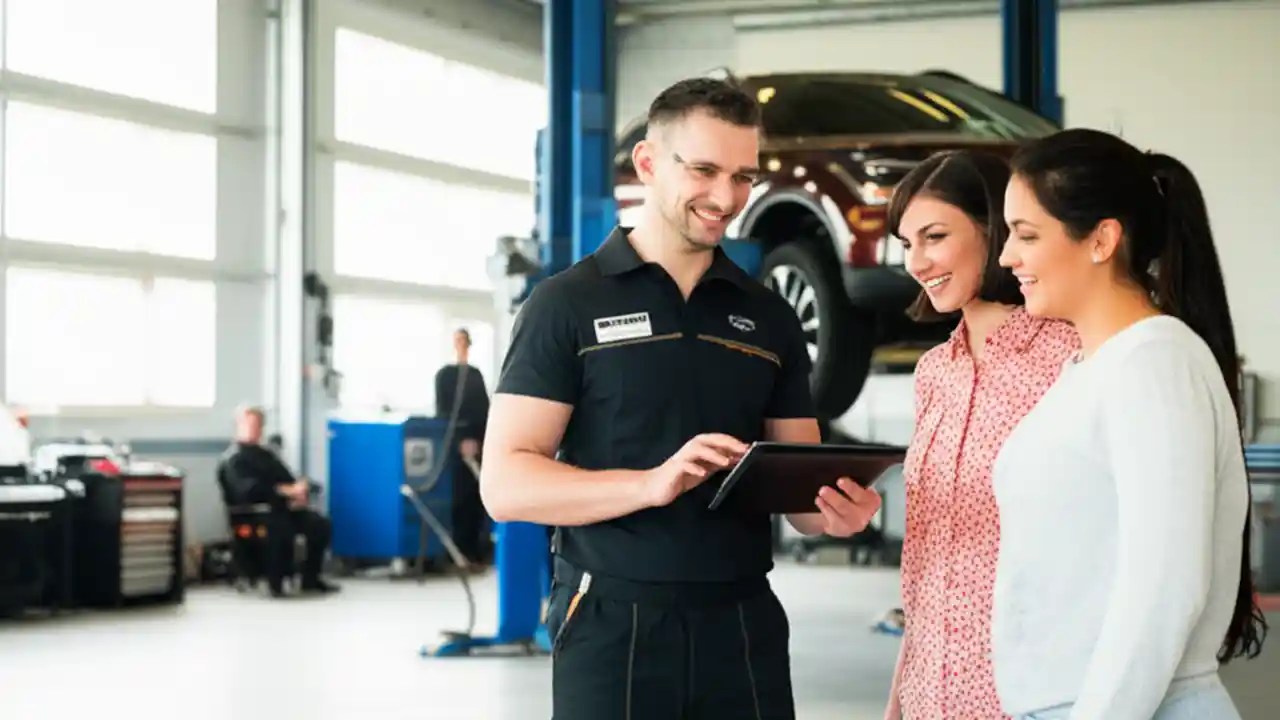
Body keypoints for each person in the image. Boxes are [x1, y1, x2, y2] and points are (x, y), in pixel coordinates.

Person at [480, 77, 882, 720]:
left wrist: (836, 511)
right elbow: (505, 484)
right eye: (703, 170)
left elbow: (802, 492)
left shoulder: (771, 318)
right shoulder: (566, 305)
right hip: (611, 618)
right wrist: (650, 484)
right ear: (647, 162)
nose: (726, 198)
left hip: (744, 621)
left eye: (743, 177)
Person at [991, 128, 1267, 719]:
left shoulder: (1154, 364)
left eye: (1026, 235)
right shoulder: (1095, 367)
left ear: (1101, 240)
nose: (1006, 257)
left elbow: (1164, 585)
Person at [880, 150, 1080, 720]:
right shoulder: (933, 374)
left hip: (1027, 699)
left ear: (996, 231)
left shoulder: (1067, 358)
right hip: (928, 698)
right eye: (905, 244)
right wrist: (897, 704)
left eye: (934, 236)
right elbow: (927, 565)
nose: (916, 261)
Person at [219, 405, 339, 597]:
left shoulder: (266, 456)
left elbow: (288, 479)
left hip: (282, 508)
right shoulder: (234, 460)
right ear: (238, 426)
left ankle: (310, 578)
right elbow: (248, 491)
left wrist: (300, 489)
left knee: (319, 524)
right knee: (280, 528)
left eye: (258, 425)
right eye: (250, 424)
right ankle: (275, 581)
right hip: (254, 514)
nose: (254, 429)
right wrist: (282, 491)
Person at [434, 327, 493, 565]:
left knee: (475, 499)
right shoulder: (445, 376)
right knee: (456, 499)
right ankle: (454, 552)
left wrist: (477, 442)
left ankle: (474, 549)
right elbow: (443, 411)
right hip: (453, 447)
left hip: (476, 446)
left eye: (464, 341)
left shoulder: (475, 375)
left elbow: (484, 411)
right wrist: (459, 441)